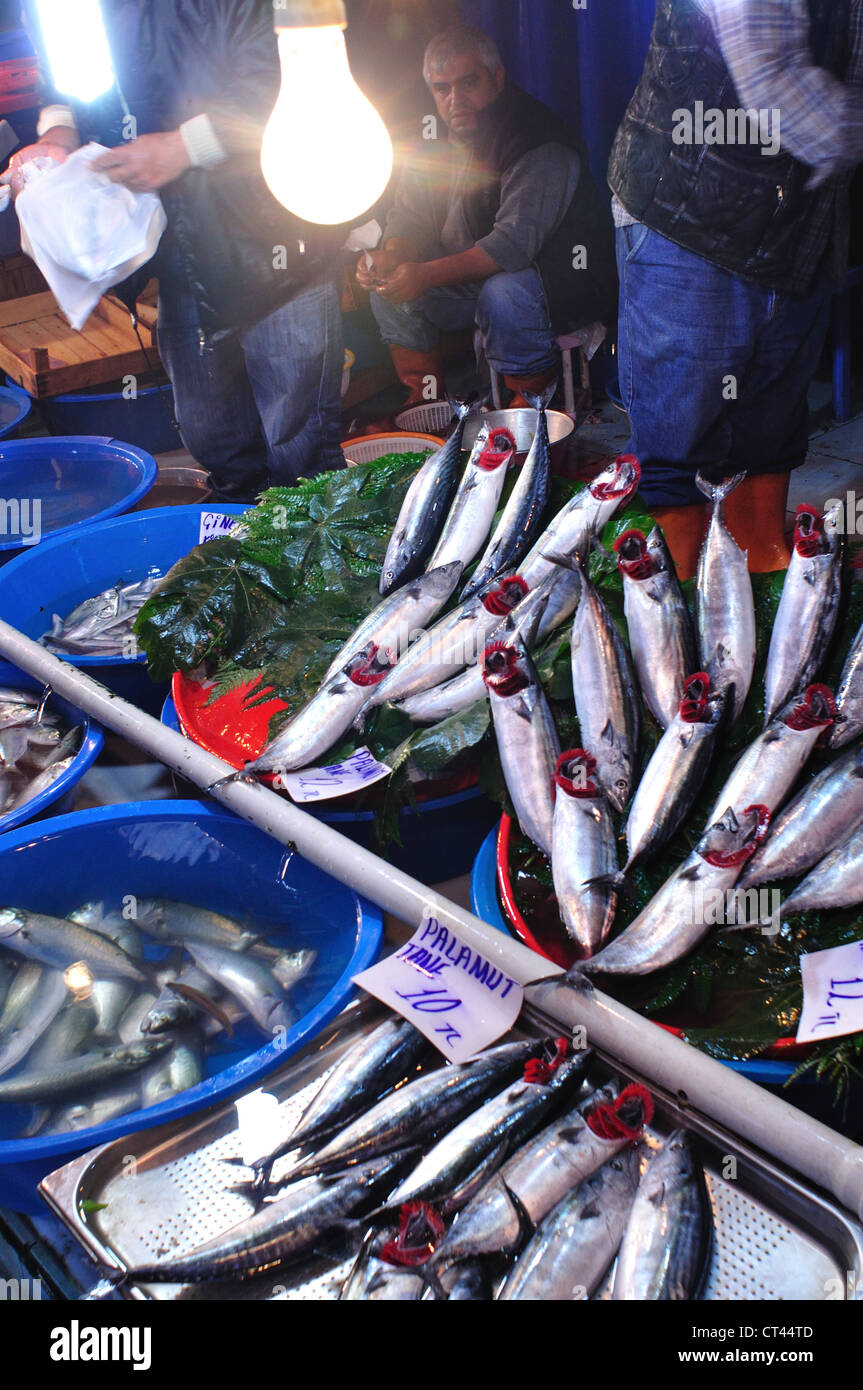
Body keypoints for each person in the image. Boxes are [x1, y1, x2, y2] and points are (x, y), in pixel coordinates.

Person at [14, 0, 346, 503]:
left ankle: (325, 559)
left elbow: (291, 80)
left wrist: (185, 147)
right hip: (181, 254)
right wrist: (58, 133)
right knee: (215, 435)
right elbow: (66, 86)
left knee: (299, 445)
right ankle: (244, 549)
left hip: (280, 242)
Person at [609, 0, 863, 576]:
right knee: (680, 446)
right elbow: (774, 79)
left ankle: (763, 577)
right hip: (691, 218)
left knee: (770, 432)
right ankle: (672, 622)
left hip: (803, 228)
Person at [357, 24, 616, 408]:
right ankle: (426, 399)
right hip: (472, 278)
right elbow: (409, 214)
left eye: (468, 83)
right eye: (442, 89)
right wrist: (392, 256)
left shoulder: (536, 138)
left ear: (497, 79)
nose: (455, 99)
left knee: (503, 293)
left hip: (559, 284)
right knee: (387, 289)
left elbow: (509, 248)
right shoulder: (431, 137)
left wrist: (424, 274)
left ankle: (529, 401)